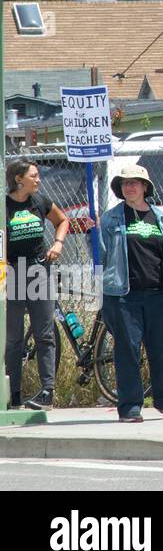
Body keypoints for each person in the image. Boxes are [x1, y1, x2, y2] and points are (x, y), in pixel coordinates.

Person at [98, 164, 163, 422]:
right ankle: (130, 407)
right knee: (127, 351)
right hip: (124, 296)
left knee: (162, 350)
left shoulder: (160, 218)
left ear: (145, 187)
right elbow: (101, 257)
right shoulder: (111, 219)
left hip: (160, 295)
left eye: (135, 182)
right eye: (125, 183)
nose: (130, 186)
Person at [4, 160, 70, 410]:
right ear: (19, 179)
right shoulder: (5, 205)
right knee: (13, 338)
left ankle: (47, 391)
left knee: (45, 334)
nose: (38, 179)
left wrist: (58, 243)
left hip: (39, 268)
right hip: (12, 272)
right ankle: (14, 394)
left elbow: (62, 220)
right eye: (34, 175)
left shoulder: (39, 201)